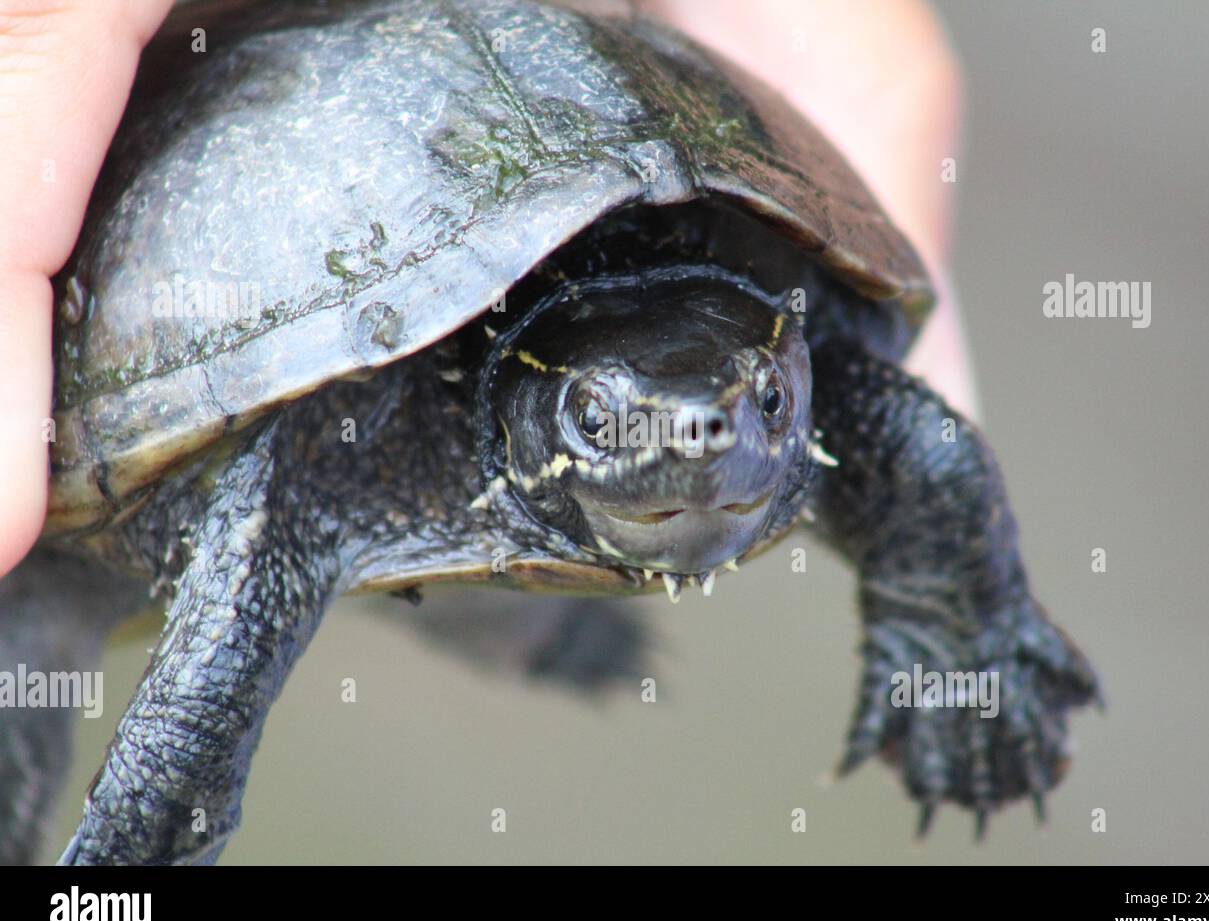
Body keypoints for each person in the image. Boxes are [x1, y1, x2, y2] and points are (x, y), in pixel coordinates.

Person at [0, 0, 972, 580]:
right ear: (527, 407)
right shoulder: (339, 435)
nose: (704, 438)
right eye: (600, 420)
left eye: (763, 404)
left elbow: (925, 447)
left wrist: (958, 623)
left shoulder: (795, 347)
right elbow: (266, 491)